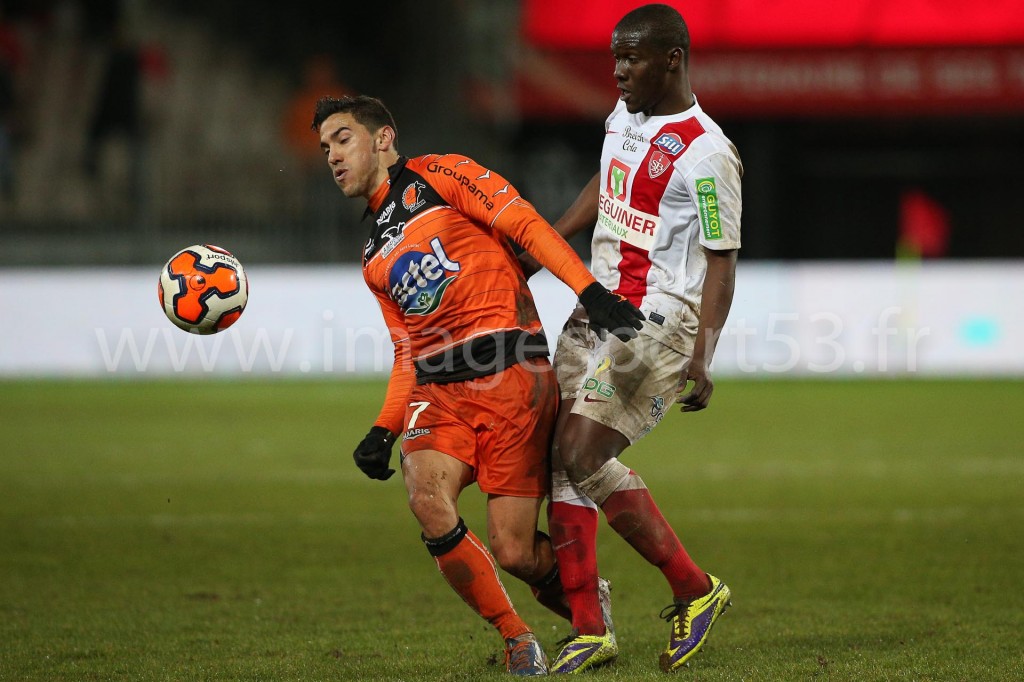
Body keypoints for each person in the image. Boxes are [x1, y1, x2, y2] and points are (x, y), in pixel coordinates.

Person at [311, 94, 644, 676]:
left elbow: (526, 225)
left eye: (342, 139)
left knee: (514, 550)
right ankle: (517, 638)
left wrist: (590, 292)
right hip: (438, 392)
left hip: (512, 377)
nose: (333, 156)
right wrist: (384, 428)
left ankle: (588, 607)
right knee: (426, 498)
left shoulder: (443, 176)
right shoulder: (372, 256)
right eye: (324, 149)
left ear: (383, 139)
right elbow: (407, 348)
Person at [528, 4, 742, 674]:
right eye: (615, 57)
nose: (618, 71)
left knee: (581, 448)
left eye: (632, 58)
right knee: (560, 459)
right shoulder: (623, 116)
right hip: (597, 305)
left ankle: (695, 588)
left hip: (659, 320)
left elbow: (722, 260)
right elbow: (607, 183)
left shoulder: (709, 154)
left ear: (672, 59)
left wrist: (704, 354)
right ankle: (590, 628)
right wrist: (548, 242)